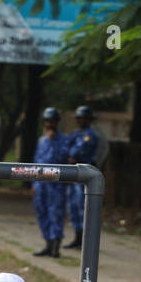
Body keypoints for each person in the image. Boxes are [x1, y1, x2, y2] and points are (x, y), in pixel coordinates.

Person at [63, 106, 99, 250]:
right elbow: (66, 148)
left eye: (84, 118)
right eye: (79, 118)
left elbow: (77, 150)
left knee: (83, 209)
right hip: (74, 177)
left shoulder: (89, 135)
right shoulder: (76, 133)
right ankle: (77, 238)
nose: (81, 121)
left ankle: (86, 242)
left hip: (84, 176)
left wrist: (71, 155)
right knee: (73, 208)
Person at [32, 107, 67, 257]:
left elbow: (63, 158)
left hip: (56, 183)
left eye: (52, 121)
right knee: (42, 212)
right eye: (47, 121)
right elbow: (36, 162)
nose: (49, 124)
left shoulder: (64, 140)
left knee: (56, 213)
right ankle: (47, 243)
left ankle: (56, 246)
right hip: (41, 184)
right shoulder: (41, 141)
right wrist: (33, 183)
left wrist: (53, 140)